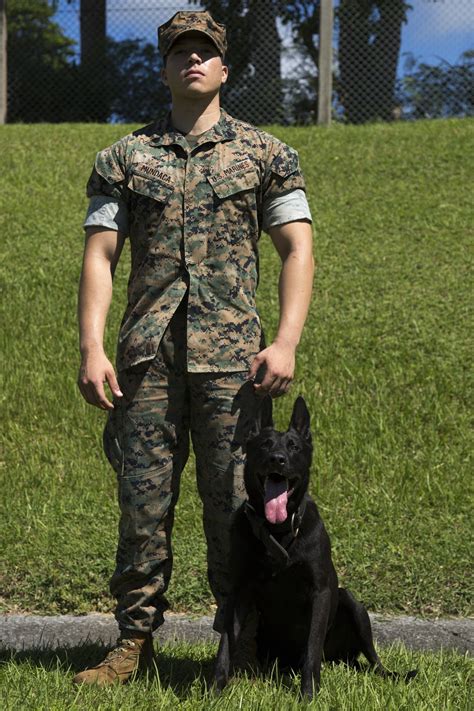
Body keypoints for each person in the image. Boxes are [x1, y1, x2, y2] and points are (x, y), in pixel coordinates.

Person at [73, 10, 314, 686]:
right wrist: (93, 347)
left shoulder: (266, 155)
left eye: (205, 51)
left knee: (233, 509)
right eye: (180, 52)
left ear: (226, 67)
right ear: (165, 67)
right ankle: (133, 643)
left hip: (233, 366)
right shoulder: (124, 159)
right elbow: (100, 256)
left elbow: (297, 247)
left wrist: (286, 339)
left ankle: (239, 643)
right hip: (147, 362)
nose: (193, 61)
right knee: (142, 507)